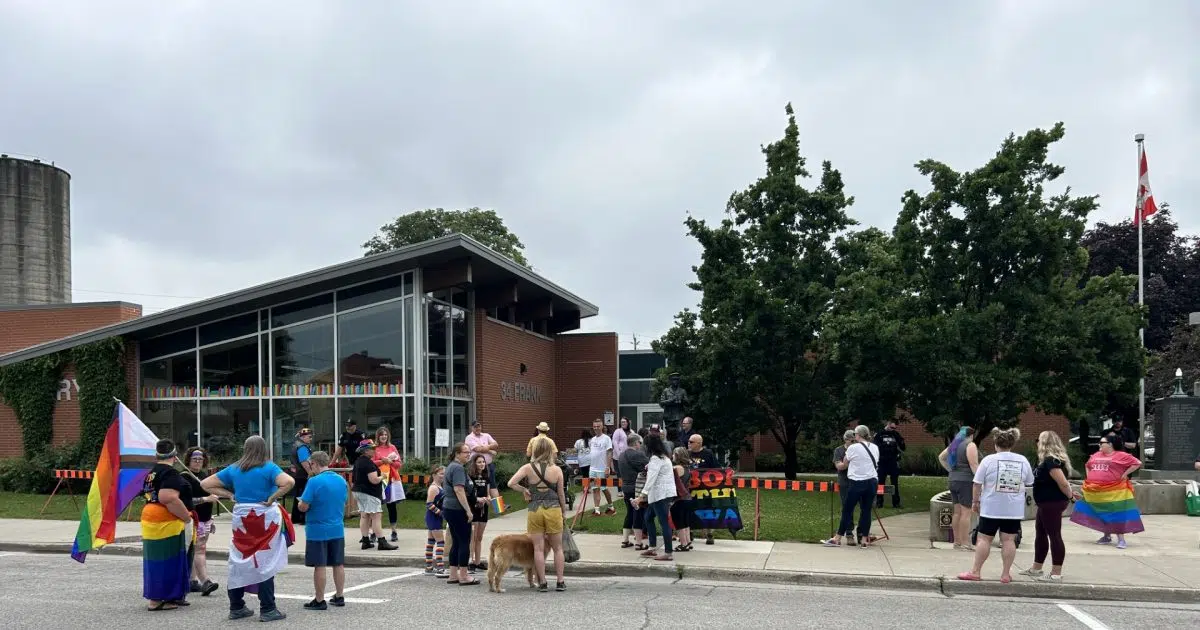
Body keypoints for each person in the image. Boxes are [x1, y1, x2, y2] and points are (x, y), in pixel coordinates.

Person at [201, 435, 294, 622]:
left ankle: (236, 606)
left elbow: (206, 484)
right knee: (265, 562)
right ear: (264, 449)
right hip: (265, 517)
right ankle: (268, 608)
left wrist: (229, 494)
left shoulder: (235, 468)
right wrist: (272, 497)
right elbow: (289, 482)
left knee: (239, 560)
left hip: (242, 517)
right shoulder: (268, 467)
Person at [957, 428, 1034, 583]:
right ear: (1012, 443)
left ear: (995, 444)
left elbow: (977, 483)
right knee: (1008, 540)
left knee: (984, 539)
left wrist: (975, 502)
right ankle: (1005, 574)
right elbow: (1029, 482)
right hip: (1013, 509)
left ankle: (976, 571)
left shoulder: (988, 460)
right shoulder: (1022, 460)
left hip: (991, 507)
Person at [508, 437, 569, 592]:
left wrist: (524, 490)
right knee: (557, 548)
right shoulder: (556, 470)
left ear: (534, 451)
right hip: (553, 508)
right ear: (549, 451)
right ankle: (560, 581)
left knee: (538, 548)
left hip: (535, 509)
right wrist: (563, 511)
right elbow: (561, 493)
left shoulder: (528, 468)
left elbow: (511, 483)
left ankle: (542, 582)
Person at [141, 439, 194, 611]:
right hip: (166, 520)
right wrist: (186, 517)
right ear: (175, 455)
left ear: (157, 455)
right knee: (170, 559)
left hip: (151, 517)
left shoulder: (152, 472)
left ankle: (164, 596)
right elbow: (167, 498)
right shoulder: (170, 473)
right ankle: (163, 598)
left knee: (156, 559)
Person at [1020, 431, 1080, 582]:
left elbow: (1062, 482)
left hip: (1052, 503)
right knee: (1040, 534)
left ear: (1045, 443)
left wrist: (1071, 496)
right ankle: (1036, 568)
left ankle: (1055, 573)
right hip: (1045, 503)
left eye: (1038, 440)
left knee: (1054, 535)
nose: (1036, 443)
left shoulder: (1051, 461)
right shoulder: (1051, 461)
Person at [1070, 436, 1145, 549]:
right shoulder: (1095, 456)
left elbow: (1137, 463)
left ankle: (1121, 539)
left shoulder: (1121, 455)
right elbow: (1088, 465)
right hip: (1096, 491)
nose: (1099, 445)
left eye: (1102, 443)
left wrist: (1125, 474)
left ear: (1110, 444)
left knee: (1116, 513)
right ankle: (1106, 535)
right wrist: (1090, 478)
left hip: (1114, 490)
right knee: (1100, 512)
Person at [297, 451, 348, 609]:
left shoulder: (314, 482)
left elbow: (304, 506)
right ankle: (339, 595)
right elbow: (344, 502)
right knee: (338, 564)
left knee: (320, 565)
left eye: (311, 464)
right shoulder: (341, 480)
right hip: (337, 528)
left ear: (315, 464)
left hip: (317, 529)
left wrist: (300, 505)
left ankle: (319, 600)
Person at [634, 434, 677, 561]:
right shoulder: (664, 458)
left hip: (660, 495)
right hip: (661, 494)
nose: (643, 447)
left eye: (645, 445)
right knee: (648, 517)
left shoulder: (655, 459)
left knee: (664, 523)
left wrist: (641, 496)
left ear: (649, 446)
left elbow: (651, 479)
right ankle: (652, 547)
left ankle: (668, 553)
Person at [183, 447, 220, 596]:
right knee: (199, 550)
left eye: (200, 459)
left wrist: (211, 519)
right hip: (192, 520)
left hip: (205, 520)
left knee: (195, 550)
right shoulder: (185, 477)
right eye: (194, 459)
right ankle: (205, 581)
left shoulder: (204, 476)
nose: (198, 461)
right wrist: (206, 499)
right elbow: (184, 501)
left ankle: (192, 581)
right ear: (188, 460)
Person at [938, 426, 979, 551]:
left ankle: (957, 542)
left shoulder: (954, 444)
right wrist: (979, 480)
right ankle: (966, 543)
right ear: (971, 435)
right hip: (965, 481)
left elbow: (941, 457)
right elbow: (974, 464)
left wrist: (951, 470)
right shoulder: (970, 445)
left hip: (953, 479)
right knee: (966, 513)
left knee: (956, 512)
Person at [352, 439, 398, 551]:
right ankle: (382, 542)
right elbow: (374, 480)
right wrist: (382, 476)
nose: (374, 450)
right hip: (370, 493)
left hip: (358, 491)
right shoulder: (368, 463)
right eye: (372, 448)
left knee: (364, 515)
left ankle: (365, 540)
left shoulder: (358, 461)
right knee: (376, 516)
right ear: (365, 451)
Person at [443, 442, 478, 585]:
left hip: (449, 508)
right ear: (457, 454)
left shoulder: (451, 466)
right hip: (458, 509)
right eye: (465, 452)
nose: (468, 454)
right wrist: (468, 510)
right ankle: (464, 576)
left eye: (469, 452)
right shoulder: (457, 468)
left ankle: (453, 574)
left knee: (456, 542)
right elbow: (459, 490)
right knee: (464, 541)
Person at [822, 431, 857, 547]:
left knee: (864, 507)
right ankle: (849, 533)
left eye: (855, 440)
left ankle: (862, 533)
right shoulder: (839, 450)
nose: (853, 443)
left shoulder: (859, 449)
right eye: (851, 440)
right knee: (848, 508)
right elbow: (839, 466)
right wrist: (848, 459)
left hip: (858, 481)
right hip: (845, 482)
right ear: (845, 440)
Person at [372, 426, 406, 542]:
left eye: (386, 435)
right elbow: (371, 463)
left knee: (391, 506)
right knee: (376, 507)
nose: (384, 437)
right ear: (378, 436)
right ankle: (374, 532)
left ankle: (394, 531)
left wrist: (391, 462)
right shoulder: (374, 448)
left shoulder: (392, 447)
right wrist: (383, 461)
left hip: (391, 480)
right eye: (382, 435)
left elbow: (398, 464)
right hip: (378, 480)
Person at [687, 433, 720, 545]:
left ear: (699, 443)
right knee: (690, 509)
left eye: (691, 442)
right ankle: (690, 532)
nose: (689, 443)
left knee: (708, 509)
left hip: (705, 489)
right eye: (688, 441)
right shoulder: (686, 454)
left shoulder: (708, 453)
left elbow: (717, 469)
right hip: (690, 488)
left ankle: (710, 533)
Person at [618, 432, 649, 548]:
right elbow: (649, 466)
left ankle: (625, 540)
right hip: (637, 488)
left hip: (625, 487)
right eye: (640, 443)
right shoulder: (638, 455)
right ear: (636, 443)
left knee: (629, 513)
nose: (640, 445)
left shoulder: (621, 455)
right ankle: (638, 543)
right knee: (638, 513)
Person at [467, 454, 497, 573]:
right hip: (474, 507)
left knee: (479, 537)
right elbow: (469, 493)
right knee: (472, 537)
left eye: (483, 462)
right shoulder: (470, 476)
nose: (482, 464)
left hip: (483, 508)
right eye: (479, 462)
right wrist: (478, 499)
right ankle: (470, 561)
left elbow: (489, 492)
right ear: (474, 463)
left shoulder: (486, 476)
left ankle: (478, 562)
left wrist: (488, 499)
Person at [873, 420, 906, 508]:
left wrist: (901, 441)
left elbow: (903, 447)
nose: (893, 429)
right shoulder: (879, 434)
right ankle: (879, 503)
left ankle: (896, 503)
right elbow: (875, 447)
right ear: (887, 425)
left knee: (894, 483)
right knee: (881, 482)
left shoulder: (895, 434)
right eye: (892, 427)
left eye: (894, 428)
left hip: (893, 461)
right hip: (882, 462)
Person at [587, 419, 616, 516]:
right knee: (595, 489)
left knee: (604, 488)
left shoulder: (606, 438)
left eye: (598, 426)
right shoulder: (593, 439)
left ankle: (611, 507)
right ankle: (597, 510)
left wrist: (608, 467)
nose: (596, 428)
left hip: (602, 468)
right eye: (594, 426)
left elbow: (609, 452)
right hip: (593, 469)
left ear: (602, 427)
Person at [424, 465, 447, 577]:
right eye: (441, 474)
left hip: (434, 517)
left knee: (431, 542)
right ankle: (440, 567)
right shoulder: (434, 488)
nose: (443, 476)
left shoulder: (440, 486)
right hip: (433, 517)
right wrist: (441, 513)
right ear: (434, 475)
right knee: (440, 542)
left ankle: (429, 567)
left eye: (444, 473)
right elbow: (429, 504)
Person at [289, 427, 314, 525]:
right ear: (303, 437)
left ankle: (296, 518)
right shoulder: (302, 447)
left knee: (297, 496)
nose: (310, 439)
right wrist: (311, 473)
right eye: (309, 437)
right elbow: (304, 462)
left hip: (297, 475)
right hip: (303, 475)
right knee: (304, 497)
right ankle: (302, 518)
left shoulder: (296, 445)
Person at [670, 447, 694, 552]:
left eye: (674, 454)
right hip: (687, 497)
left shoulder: (677, 468)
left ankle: (683, 544)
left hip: (678, 498)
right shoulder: (687, 468)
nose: (672, 456)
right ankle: (688, 542)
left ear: (678, 455)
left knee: (679, 522)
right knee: (685, 522)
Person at [465, 420, 500, 487]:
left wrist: (486, 447)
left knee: (492, 485)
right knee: (478, 486)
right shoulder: (469, 438)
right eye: (475, 427)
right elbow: (478, 449)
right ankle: (480, 498)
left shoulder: (486, 435)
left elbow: (496, 444)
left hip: (489, 465)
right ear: (471, 428)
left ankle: (492, 497)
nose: (478, 428)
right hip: (475, 466)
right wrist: (490, 451)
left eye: (479, 426)